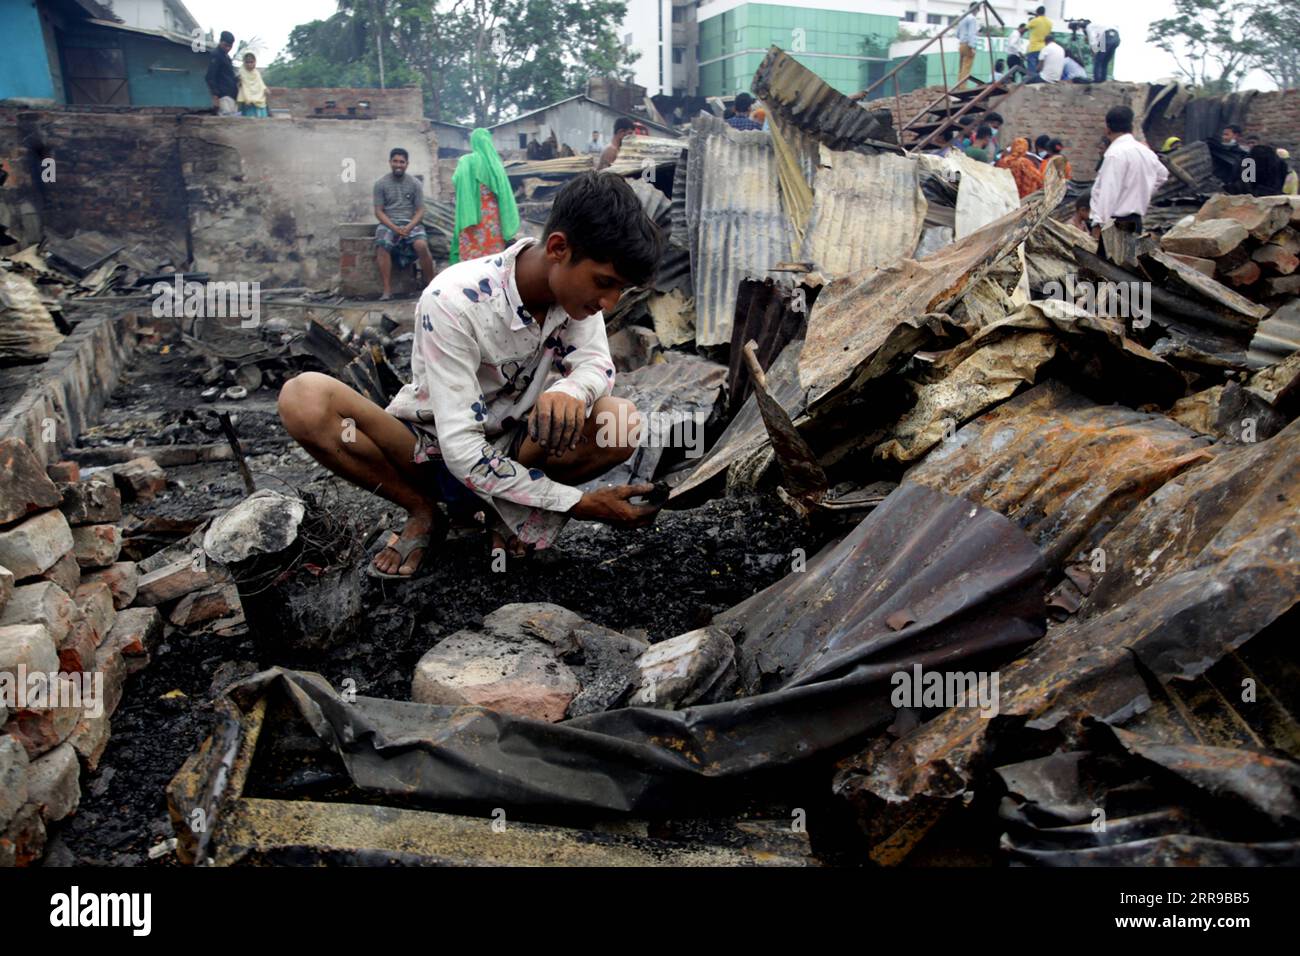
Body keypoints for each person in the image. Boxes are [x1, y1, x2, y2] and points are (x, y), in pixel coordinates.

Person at [278, 172, 664, 576]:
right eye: (604, 283)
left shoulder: (574, 300)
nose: (608, 302)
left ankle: (506, 510)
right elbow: (461, 448)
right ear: (558, 248)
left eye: (619, 289)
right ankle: (422, 509)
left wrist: (570, 390)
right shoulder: (454, 300)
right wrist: (578, 503)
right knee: (303, 397)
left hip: (514, 447)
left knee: (618, 421)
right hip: (430, 450)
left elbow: (597, 364)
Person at [1089, 105, 1168, 237]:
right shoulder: (1145, 152)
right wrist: (1143, 192)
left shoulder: (1115, 154)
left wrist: (1098, 224)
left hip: (1115, 225)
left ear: (1107, 128)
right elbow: (1162, 175)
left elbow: (1108, 191)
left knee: (1107, 258)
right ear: (1131, 127)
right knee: (1129, 257)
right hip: (1136, 222)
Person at [373, 147, 434, 301]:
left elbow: (420, 210)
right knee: (382, 245)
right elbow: (379, 211)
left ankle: (431, 286)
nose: (398, 165)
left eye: (402, 162)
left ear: (407, 164)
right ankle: (387, 290)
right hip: (389, 223)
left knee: (421, 245)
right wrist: (394, 228)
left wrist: (409, 226)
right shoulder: (380, 184)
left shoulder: (415, 184)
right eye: (395, 161)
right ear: (390, 162)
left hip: (411, 222)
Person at [452, 128, 519, 265]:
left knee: (471, 263)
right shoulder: (496, 164)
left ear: (473, 142)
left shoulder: (466, 161)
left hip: (469, 218)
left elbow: (456, 180)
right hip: (493, 219)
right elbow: (505, 196)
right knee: (493, 260)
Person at [205, 31, 238, 116]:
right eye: (225, 45)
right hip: (223, 95)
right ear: (220, 41)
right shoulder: (216, 55)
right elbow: (210, 77)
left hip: (231, 95)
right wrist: (215, 95)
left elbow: (229, 76)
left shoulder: (227, 57)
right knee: (227, 122)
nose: (228, 48)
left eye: (230, 46)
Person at [236, 52, 268, 117]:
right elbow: (244, 87)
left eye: (251, 62)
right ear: (244, 63)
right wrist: (248, 100)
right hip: (248, 102)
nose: (249, 64)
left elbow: (261, 84)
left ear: (255, 62)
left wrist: (265, 89)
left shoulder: (256, 73)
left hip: (259, 100)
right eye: (247, 62)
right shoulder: (241, 73)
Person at [955, 6, 980, 88]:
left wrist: (963, 37)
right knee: (966, 67)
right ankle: (962, 87)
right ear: (976, 10)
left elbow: (957, 34)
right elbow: (971, 33)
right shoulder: (972, 19)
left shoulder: (963, 18)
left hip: (961, 44)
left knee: (961, 67)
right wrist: (972, 46)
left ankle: (958, 86)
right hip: (968, 45)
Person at [1024, 6, 1053, 76]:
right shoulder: (1050, 22)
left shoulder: (1035, 21)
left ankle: (1031, 83)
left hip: (1034, 48)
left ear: (1037, 12)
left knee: (1032, 69)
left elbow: (1025, 29)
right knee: (1040, 69)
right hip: (1044, 48)